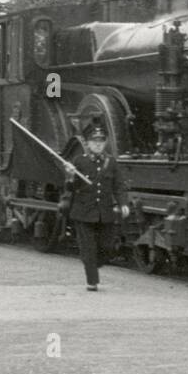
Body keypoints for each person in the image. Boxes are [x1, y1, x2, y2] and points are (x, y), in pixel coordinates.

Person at [58, 125, 129, 291]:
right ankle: (92, 280)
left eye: (101, 141)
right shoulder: (79, 162)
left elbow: (118, 186)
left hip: (105, 212)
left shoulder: (111, 162)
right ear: (88, 144)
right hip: (83, 212)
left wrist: (123, 203)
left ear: (105, 143)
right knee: (88, 248)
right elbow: (71, 188)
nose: (98, 144)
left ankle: (93, 265)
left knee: (108, 247)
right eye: (94, 141)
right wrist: (70, 175)